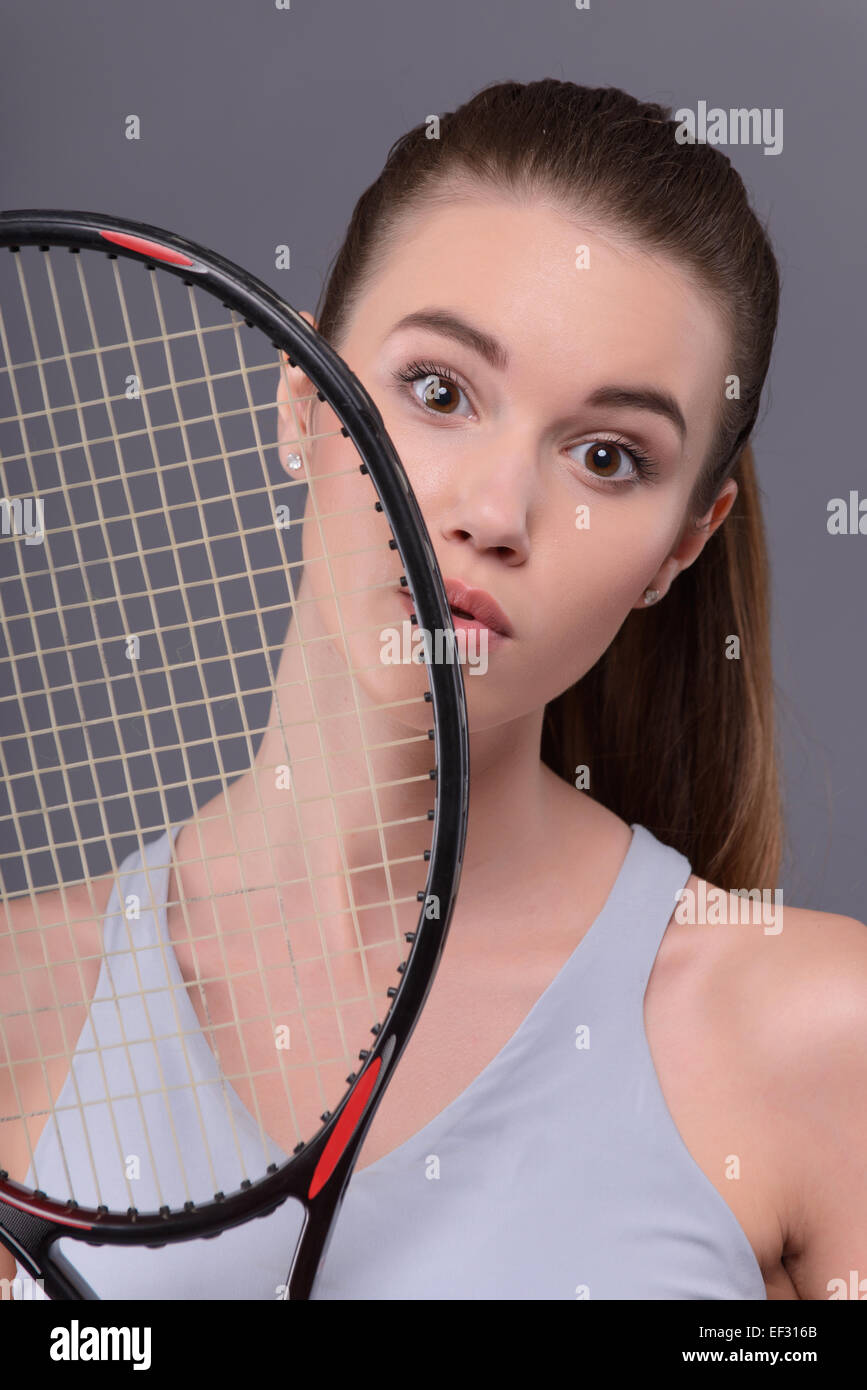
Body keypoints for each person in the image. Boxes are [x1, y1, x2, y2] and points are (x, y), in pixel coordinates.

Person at [5, 79, 866, 1301]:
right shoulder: (18, 1007)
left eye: (607, 458)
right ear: (305, 403)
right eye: (440, 391)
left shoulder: (820, 1036)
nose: (491, 514)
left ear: (684, 544)